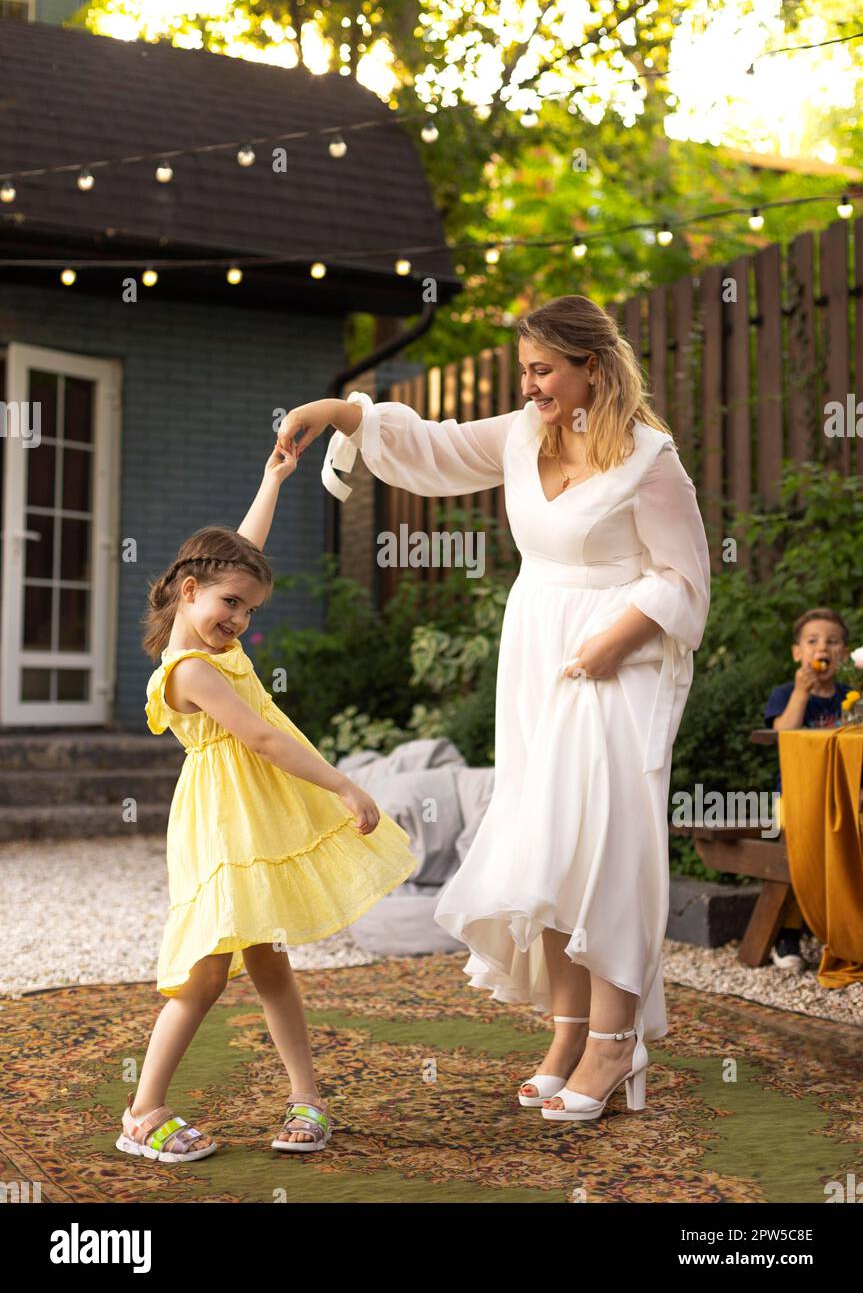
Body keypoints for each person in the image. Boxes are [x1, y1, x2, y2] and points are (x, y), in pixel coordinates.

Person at [278, 294, 711, 1124]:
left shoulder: (650, 461)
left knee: (605, 844)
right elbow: (433, 447)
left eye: (543, 370)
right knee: (545, 839)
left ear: (591, 367)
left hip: (618, 662)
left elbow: (686, 578)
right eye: (524, 371)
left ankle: (615, 1042)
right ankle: (568, 1033)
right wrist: (335, 412)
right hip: (536, 653)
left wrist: (612, 643)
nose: (530, 385)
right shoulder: (520, 434)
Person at [117, 442, 417, 1162]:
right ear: (189, 590)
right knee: (205, 973)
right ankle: (143, 1111)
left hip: (255, 816)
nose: (241, 620)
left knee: (270, 962)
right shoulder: (190, 670)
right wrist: (342, 783)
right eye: (232, 605)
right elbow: (261, 737)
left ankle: (307, 1097)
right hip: (226, 824)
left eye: (250, 610)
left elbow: (240, 553)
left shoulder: (214, 628)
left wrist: (272, 479)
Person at [763, 608, 851, 972]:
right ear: (797, 652)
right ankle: (788, 931)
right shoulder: (786, 693)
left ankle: (847, 931)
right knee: (802, 848)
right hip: (795, 797)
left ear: (843, 653)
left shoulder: (852, 697)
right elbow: (782, 732)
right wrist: (802, 692)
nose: (822, 648)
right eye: (812, 641)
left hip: (842, 797)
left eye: (832, 641)